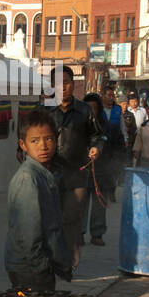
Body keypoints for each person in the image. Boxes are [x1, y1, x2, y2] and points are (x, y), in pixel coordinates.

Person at [2, 109, 71, 297]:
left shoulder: (42, 174)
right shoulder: (29, 179)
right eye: (35, 141)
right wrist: (44, 267)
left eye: (48, 139)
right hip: (32, 267)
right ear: (23, 144)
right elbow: (31, 235)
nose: (43, 146)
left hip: (27, 264)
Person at [47, 66, 104, 268]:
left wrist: (96, 148)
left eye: (67, 82)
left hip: (77, 173)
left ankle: (71, 258)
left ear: (73, 84)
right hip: (50, 173)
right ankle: (51, 256)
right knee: (51, 216)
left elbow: (98, 136)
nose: (63, 87)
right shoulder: (45, 110)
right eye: (58, 83)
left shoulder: (84, 110)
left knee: (71, 217)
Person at [84, 92, 123, 245]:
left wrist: (115, 167)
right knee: (80, 204)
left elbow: (119, 148)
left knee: (99, 204)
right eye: (88, 108)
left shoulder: (109, 128)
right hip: (82, 171)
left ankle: (97, 234)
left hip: (103, 172)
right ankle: (79, 233)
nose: (91, 111)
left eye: (94, 108)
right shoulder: (78, 126)